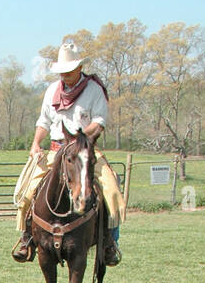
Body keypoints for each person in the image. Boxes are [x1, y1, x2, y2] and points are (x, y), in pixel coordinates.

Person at [13, 42, 123, 264]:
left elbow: (99, 122)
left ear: (79, 68)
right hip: (56, 150)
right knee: (26, 191)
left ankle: (109, 241)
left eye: (69, 71)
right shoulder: (52, 90)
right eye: (62, 71)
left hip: (84, 150)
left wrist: (79, 138)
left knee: (111, 190)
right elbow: (43, 122)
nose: (65, 75)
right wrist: (36, 143)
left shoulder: (94, 90)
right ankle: (27, 238)